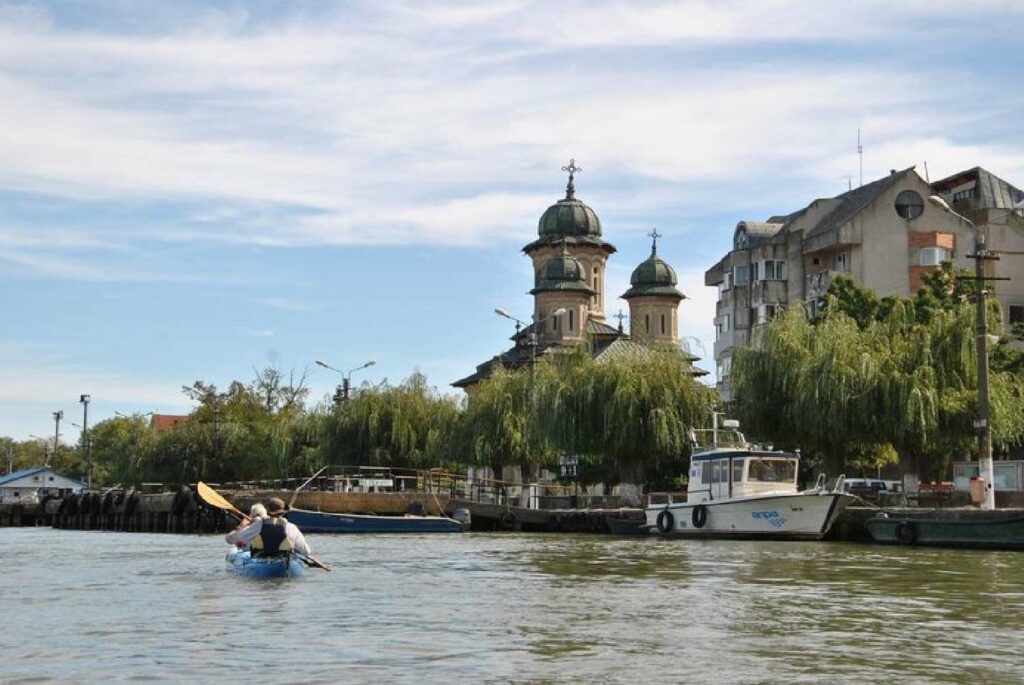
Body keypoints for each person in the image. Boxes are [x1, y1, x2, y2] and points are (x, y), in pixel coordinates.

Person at [225, 497, 310, 558]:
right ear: (284, 513)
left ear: (268, 511)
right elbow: (306, 552)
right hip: (283, 558)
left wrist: (242, 525)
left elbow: (230, 539)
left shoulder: (258, 524)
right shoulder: (291, 527)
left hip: (261, 558)